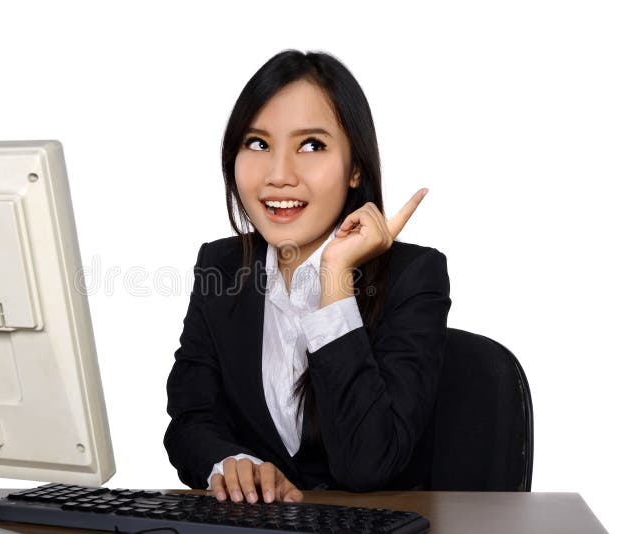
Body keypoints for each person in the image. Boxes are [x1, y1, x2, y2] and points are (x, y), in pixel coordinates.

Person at [163, 49, 451, 505]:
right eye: (258, 144)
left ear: (355, 168)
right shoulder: (220, 266)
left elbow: (368, 464)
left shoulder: (415, 276)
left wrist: (335, 281)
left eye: (312, 145)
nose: (278, 176)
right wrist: (233, 465)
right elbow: (190, 420)